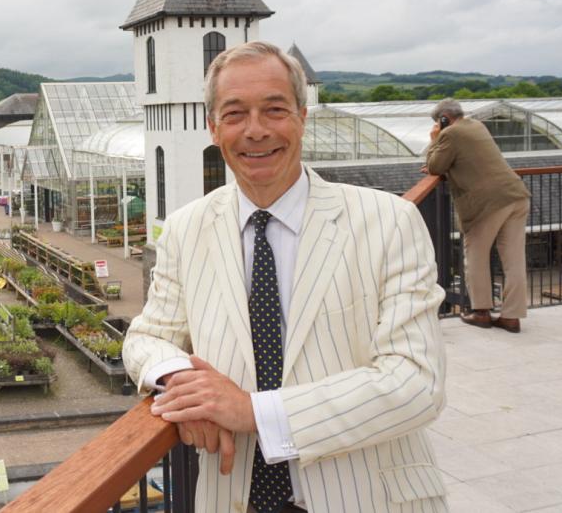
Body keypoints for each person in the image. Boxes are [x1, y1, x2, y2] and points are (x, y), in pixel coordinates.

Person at [124, 42, 447, 512]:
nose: (255, 131)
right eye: (235, 114)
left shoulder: (388, 221)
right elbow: (146, 337)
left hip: (368, 498)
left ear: (302, 116)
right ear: (214, 128)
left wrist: (252, 412)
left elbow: (416, 383)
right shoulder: (186, 228)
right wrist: (181, 382)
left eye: (273, 110)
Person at [423, 98, 531, 333]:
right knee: (514, 261)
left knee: (476, 256)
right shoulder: (477, 125)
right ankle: (511, 318)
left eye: (437, 123)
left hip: (486, 204)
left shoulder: (450, 134)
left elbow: (435, 167)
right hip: (516, 195)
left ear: (444, 119)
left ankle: (481, 312)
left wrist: (434, 140)